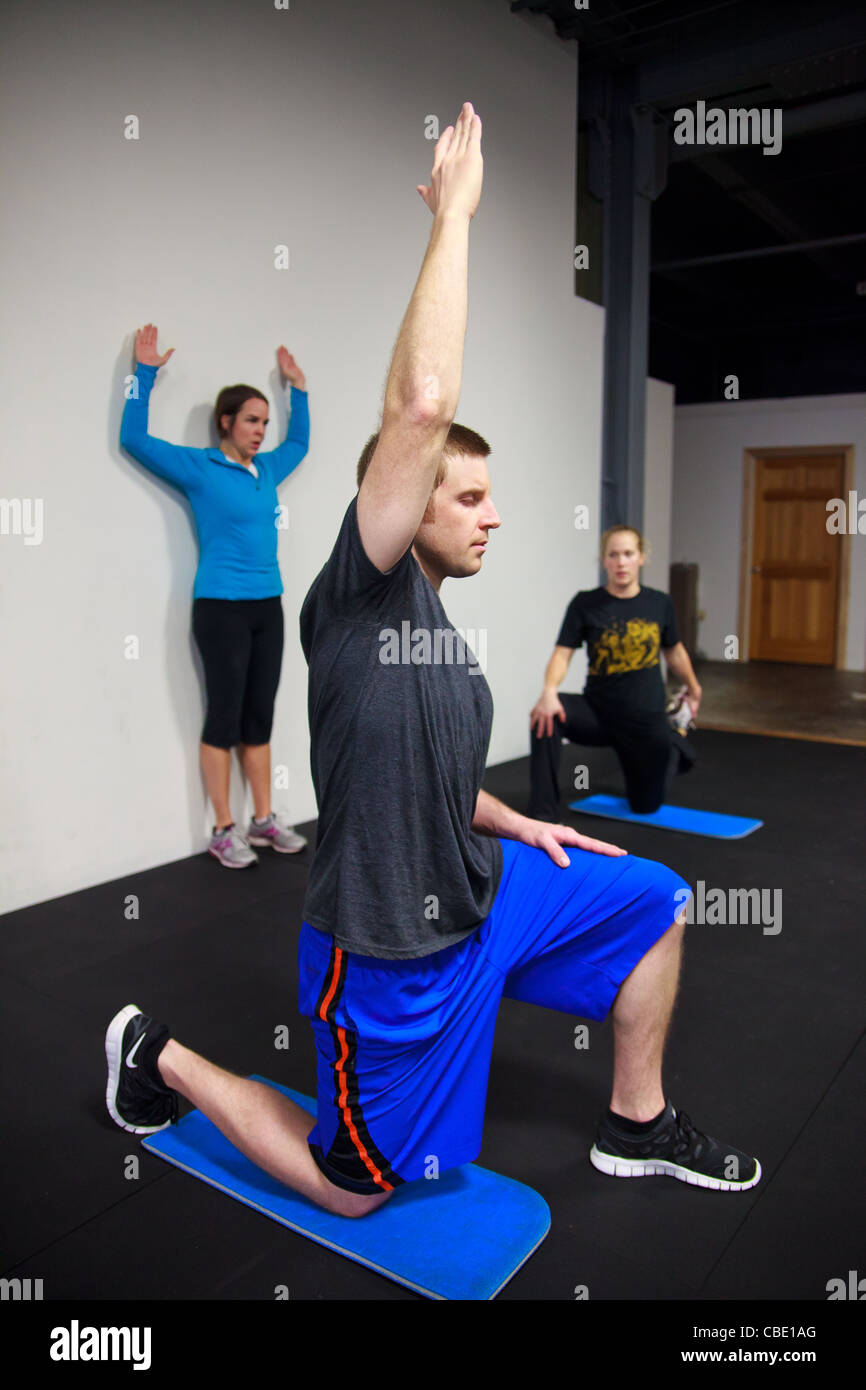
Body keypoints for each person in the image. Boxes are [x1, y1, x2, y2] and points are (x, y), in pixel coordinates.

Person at [105, 103, 759, 1220]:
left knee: (653, 898)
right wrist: (452, 217)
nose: (493, 516)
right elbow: (418, 403)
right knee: (352, 1189)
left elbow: (440, 785)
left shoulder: (443, 645)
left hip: (482, 897)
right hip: (389, 955)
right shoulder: (354, 593)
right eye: (466, 494)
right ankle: (156, 1058)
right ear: (399, 504)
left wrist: (523, 823)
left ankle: (633, 1123)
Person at [120, 328, 310, 867]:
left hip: (267, 607)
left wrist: (298, 391)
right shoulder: (199, 467)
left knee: (259, 717)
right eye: (252, 420)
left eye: (264, 423)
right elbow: (133, 439)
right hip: (220, 608)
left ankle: (264, 820)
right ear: (225, 421)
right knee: (223, 718)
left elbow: (299, 445)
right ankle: (223, 829)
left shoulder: (267, 468)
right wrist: (144, 375)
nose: (261, 431)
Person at [528, 527, 702, 819]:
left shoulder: (659, 603)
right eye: (613, 555)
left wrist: (693, 688)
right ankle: (541, 816)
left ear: (641, 558)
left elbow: (674, 651)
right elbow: (562, 653)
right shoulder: (585, 603)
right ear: (604, 561)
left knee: (645, 806)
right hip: (599, 714)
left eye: (628, 554)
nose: (621, 562)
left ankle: (673, 742)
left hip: (645, 720)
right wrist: (549, 692)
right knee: (545, 716)